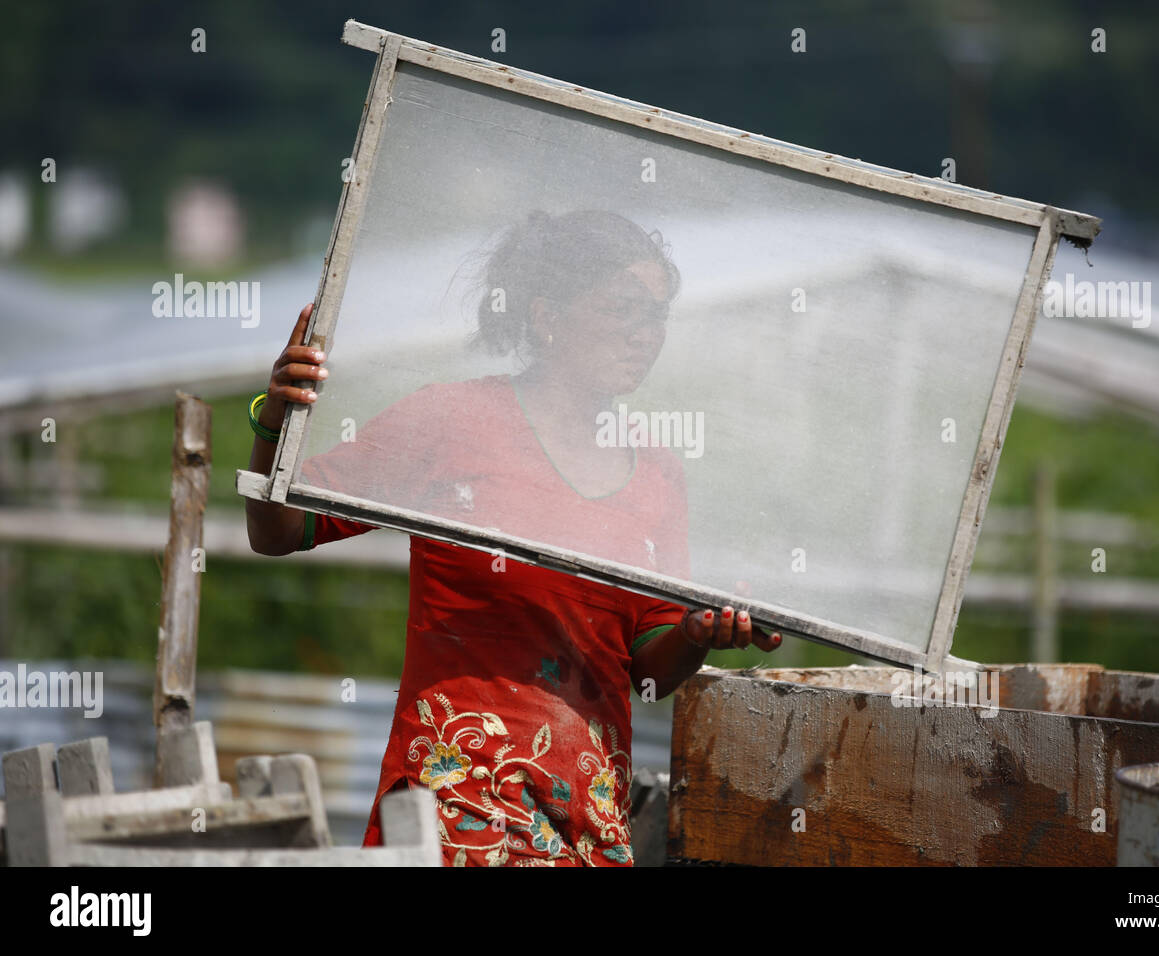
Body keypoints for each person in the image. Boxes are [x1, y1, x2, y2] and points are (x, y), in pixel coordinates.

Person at [245, 210, 780, 866]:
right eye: (624, 309)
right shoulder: (452, 420)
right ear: (546, 317)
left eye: (659, 314)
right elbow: (278, 528)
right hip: (453, 810)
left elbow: (646, 665)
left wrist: (696, 635)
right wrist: (275, 419)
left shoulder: (657, 472)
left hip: (584, 825)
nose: (647, 334)